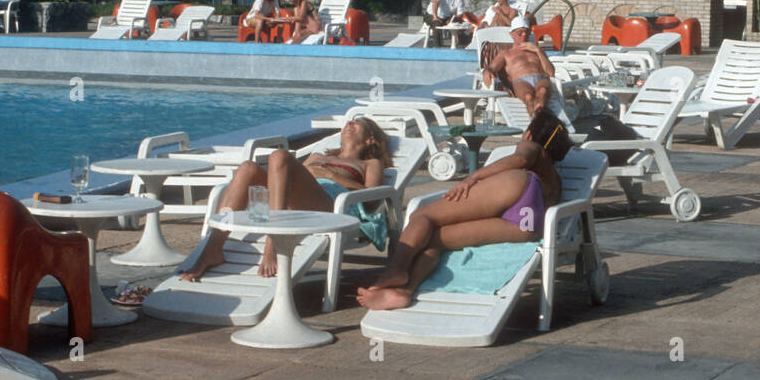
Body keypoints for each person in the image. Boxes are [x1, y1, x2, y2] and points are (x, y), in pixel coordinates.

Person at [356, 131, 561, 311]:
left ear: (529, 135)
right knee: (434, 238)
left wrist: (472, 178)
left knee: (422, 216)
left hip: (519, 187)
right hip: (526, 227)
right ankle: (404, 292)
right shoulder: (555, 179)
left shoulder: (532, 145)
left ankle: (396, 268)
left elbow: (520, 160)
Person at [181, 116, 394, 280]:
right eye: (348, 122)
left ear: (370, 139)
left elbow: (371, 198)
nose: (349, 123)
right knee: (248, 168)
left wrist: (332, 176)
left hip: (329, 207)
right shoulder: (319, 156)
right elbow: (283, 176)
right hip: (286, 207)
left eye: (356, 124)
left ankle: (273, 241)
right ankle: (214, 248)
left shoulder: (370, 164)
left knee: (279, 156)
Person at [484, 16, 555, 114]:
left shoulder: (537, 51)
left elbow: (551, 73)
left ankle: (538, 116)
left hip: (541, 79)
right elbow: (491, 68)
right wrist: (486, 71)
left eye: (527, 32)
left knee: (542, 91)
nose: (524, 35)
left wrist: (538, 50)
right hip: (521, 81)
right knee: (528, 97)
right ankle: (537, 118)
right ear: (512, 34)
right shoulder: (505, 53)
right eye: (520, 32)